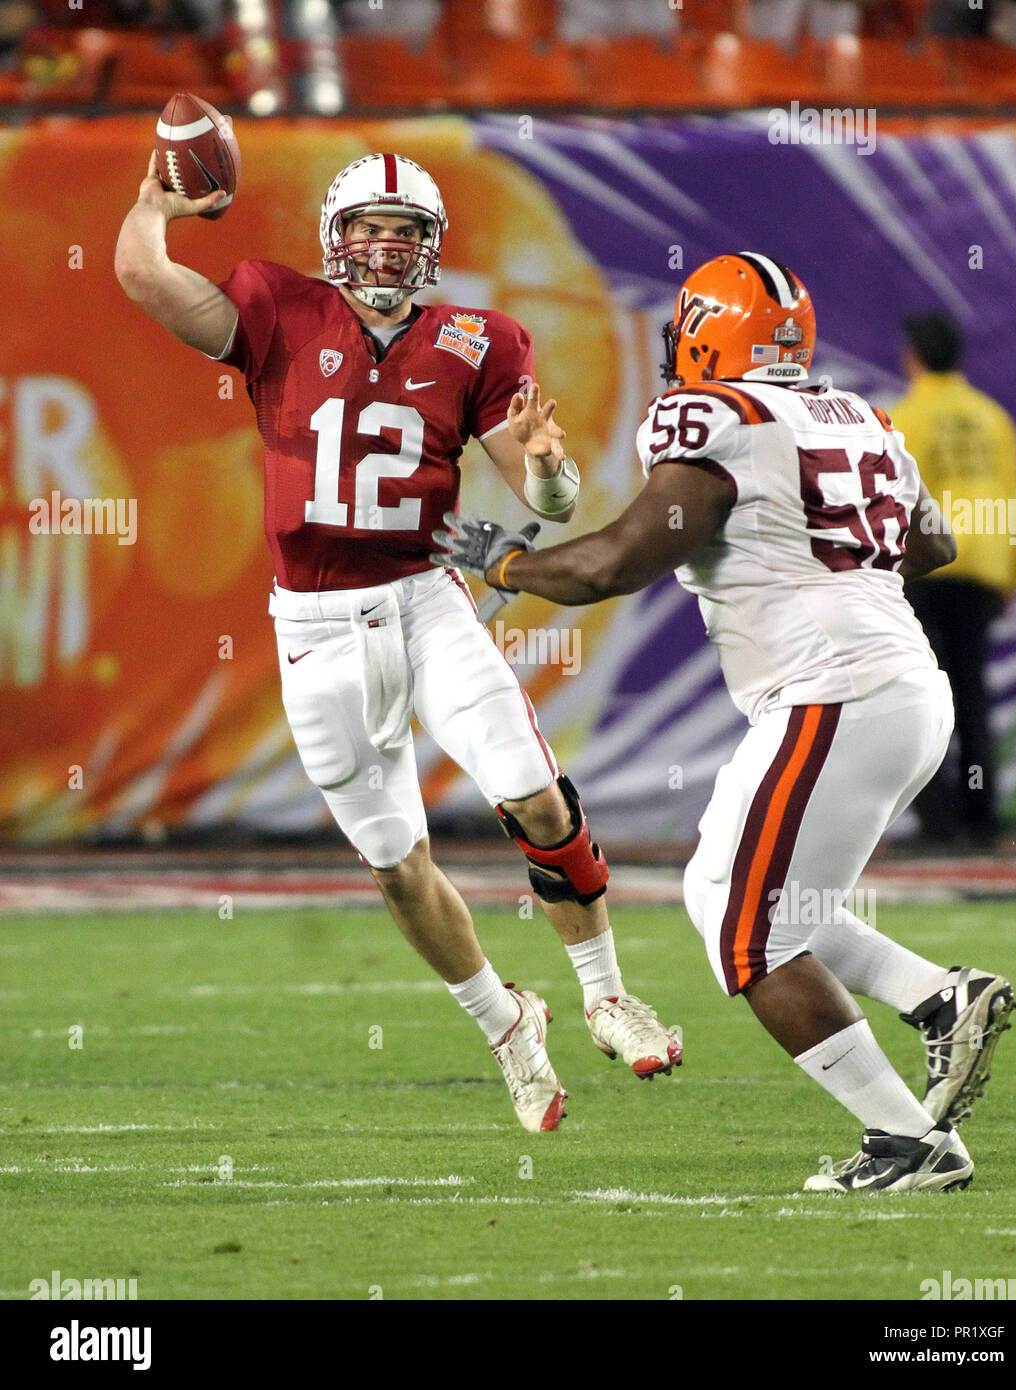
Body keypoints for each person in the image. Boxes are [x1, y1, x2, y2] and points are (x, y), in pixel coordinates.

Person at [114, 148, 681, 1134]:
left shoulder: (479, 338)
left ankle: (603, 992)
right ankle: (506, 1025)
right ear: (335, 239)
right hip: (314, 625)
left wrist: (548, 472)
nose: (386, 245)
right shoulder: (277, 308)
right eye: (369, 227)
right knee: (392, 858)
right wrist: (150, 205)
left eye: (406, 229)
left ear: (433, 246)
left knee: (531, 790)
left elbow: (544, 492)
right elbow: (143, 276)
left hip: (424, 601)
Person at [434, 252, 1016, 1191]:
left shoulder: (713, 416)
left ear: (708, 333)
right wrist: (820, 567)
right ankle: (933, 1006)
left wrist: (507, 567)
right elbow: (934, 542)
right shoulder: (857, 412)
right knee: (726, 895)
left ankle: (911, 1130)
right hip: (899, 687)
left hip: (835, 696)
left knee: (752, 941)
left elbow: (617, 562)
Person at [893, 311, 1016, 850]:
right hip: (984, 567)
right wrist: (1014, 572)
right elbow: (1012, 497)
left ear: (914, 357)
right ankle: (983, 820)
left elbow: (896, 500)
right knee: (972, 692)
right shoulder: (992, 417)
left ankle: (938, 822)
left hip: (927, 566)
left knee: (923, 696)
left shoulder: (906, 417)